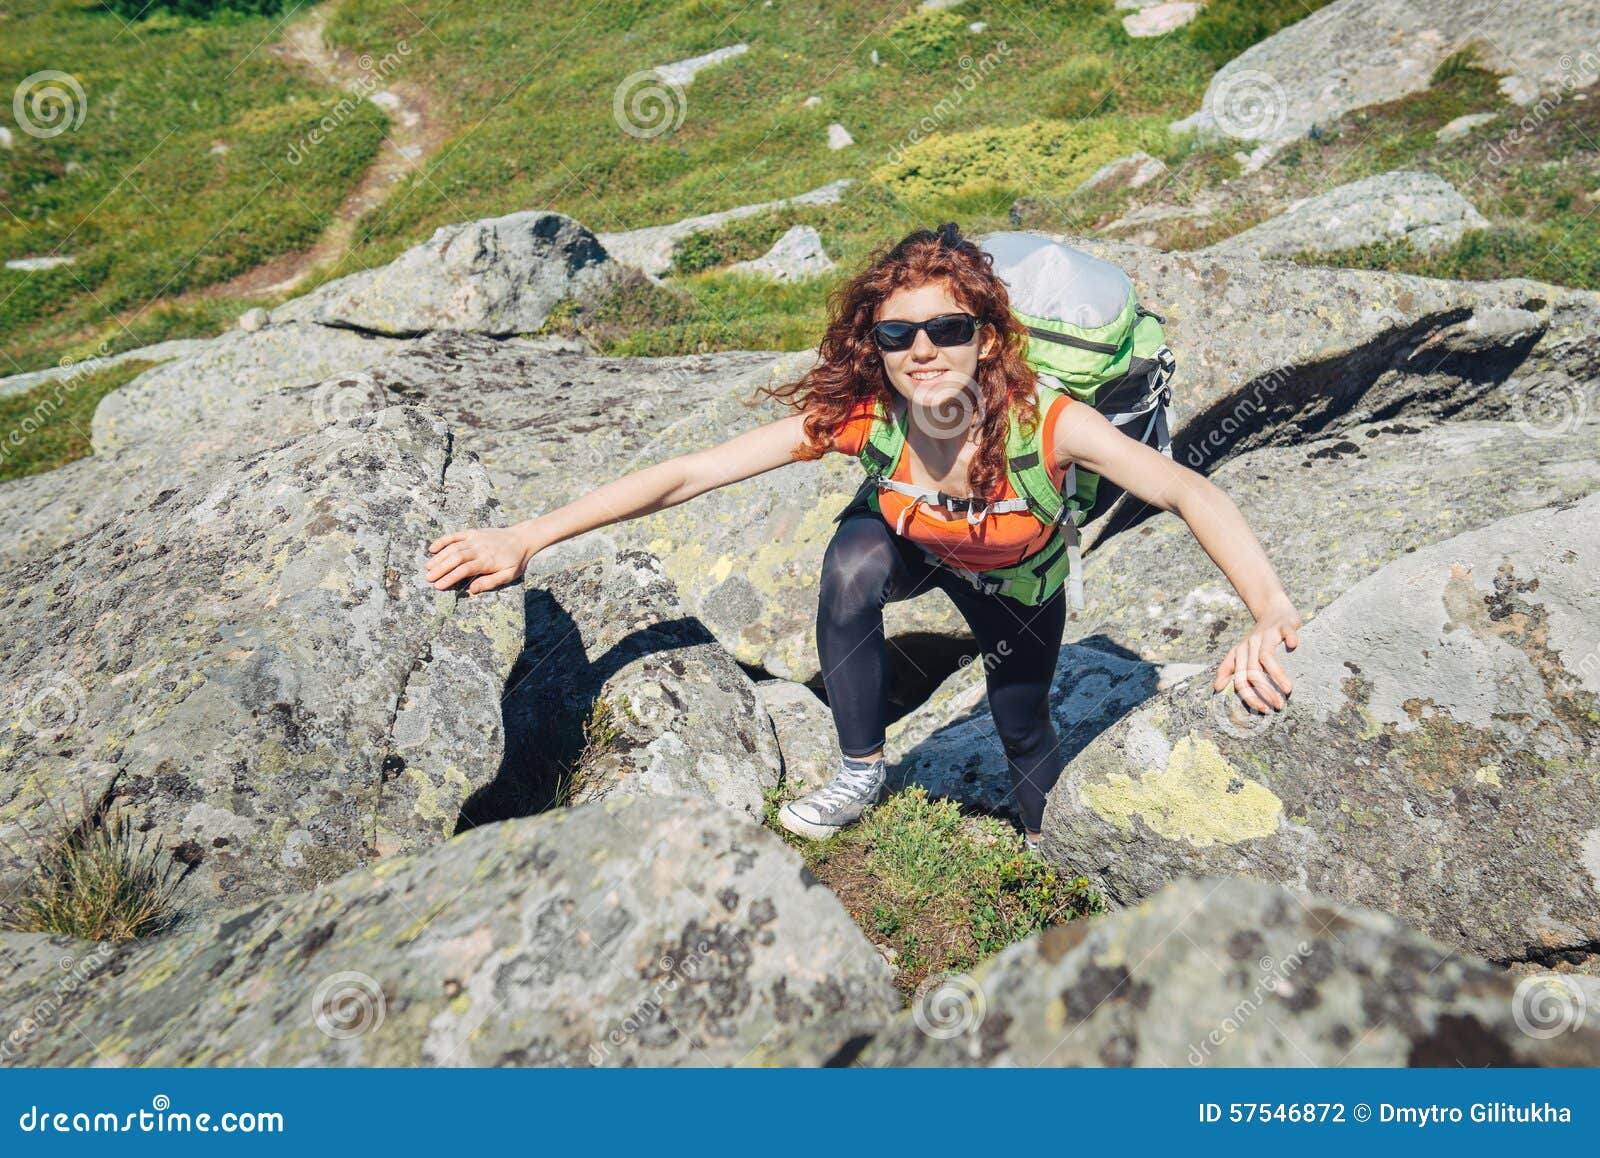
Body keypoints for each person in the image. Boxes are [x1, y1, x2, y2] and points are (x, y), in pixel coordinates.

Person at [422, 222, 1302, 853]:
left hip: (1017, 581)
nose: (922, 350)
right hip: (914, 547)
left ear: (987, 338)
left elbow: (1186, 490)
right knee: (849, 566)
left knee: (1024, 728)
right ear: (876, 345)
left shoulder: (1051, 423)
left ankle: (1050, 852)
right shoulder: (867, 416)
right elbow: (689, 473)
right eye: (897, 333)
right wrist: (528, 535)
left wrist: (1267, 610)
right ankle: (859, 769)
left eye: (948, 329)